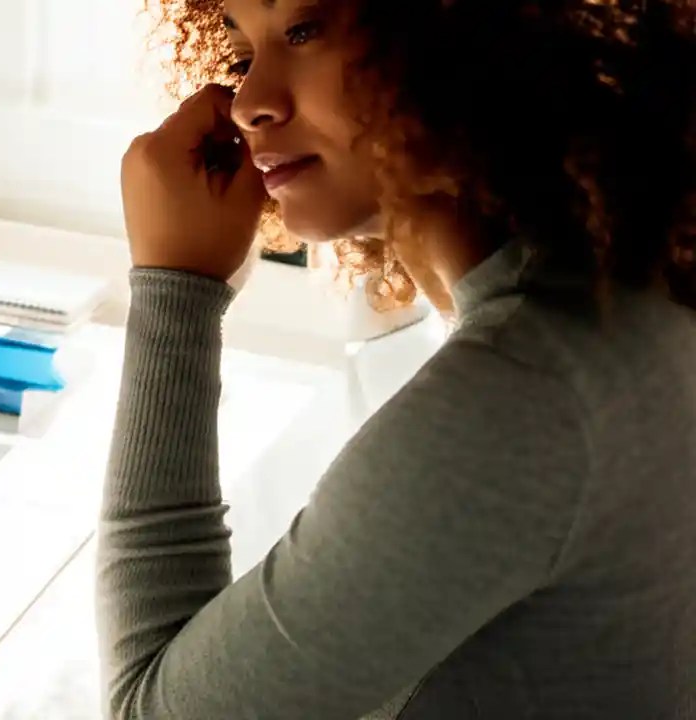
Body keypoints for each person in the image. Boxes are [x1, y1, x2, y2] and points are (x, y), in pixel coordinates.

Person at [98, 0, 696, 717]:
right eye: (242, 48)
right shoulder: (626, 285)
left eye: (302, 30)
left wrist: (175, 289)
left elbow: (147, 711)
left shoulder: (519, 394)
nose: (249, 102)